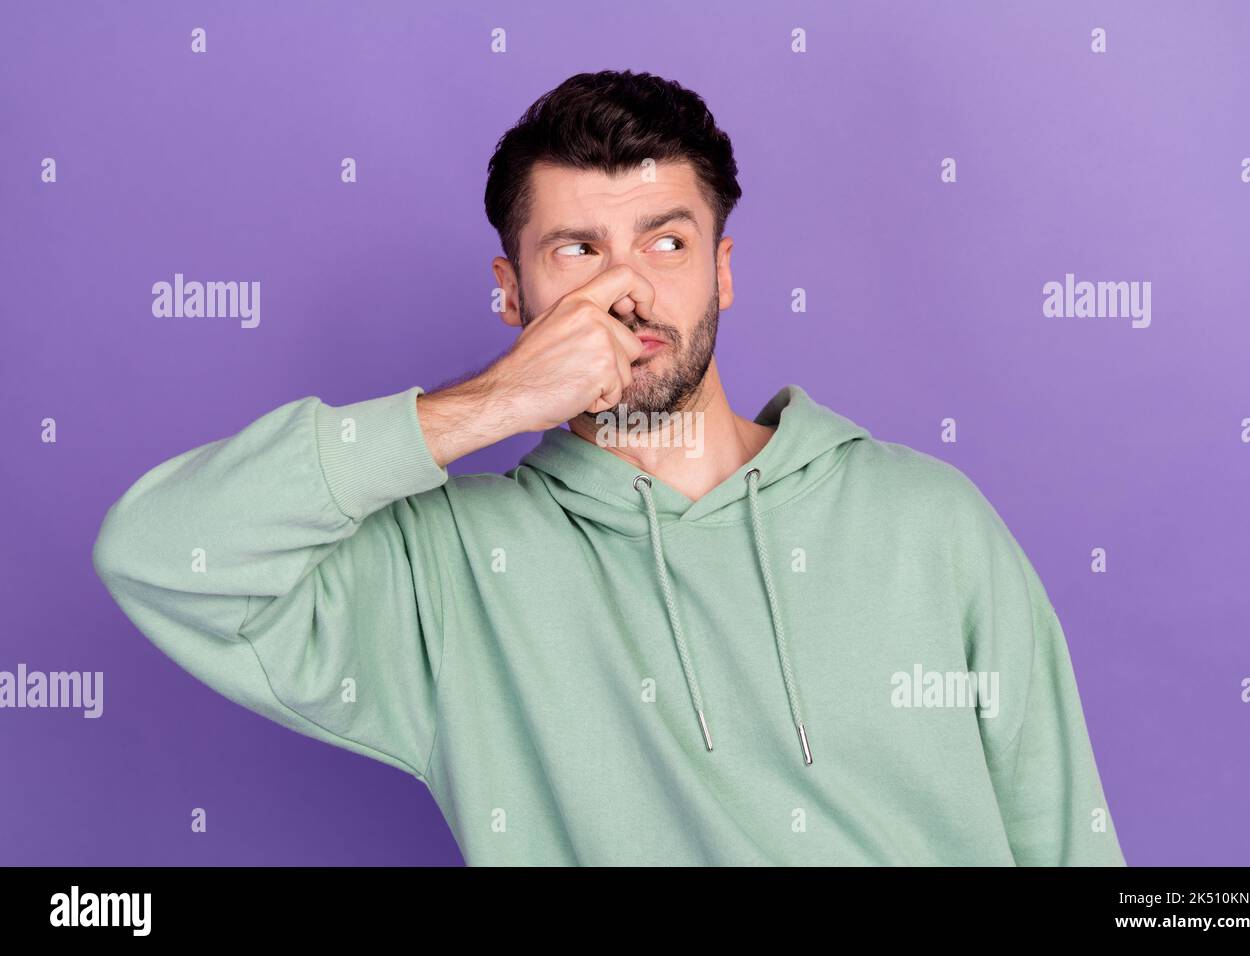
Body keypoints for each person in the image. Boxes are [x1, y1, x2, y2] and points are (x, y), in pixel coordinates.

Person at [93, 70, 1126, 866]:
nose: (627, 290)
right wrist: (493, 401)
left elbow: (1068, 841)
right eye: (577, 251)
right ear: (512, 291)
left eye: (666, 242)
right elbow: (159, 552)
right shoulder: (446, 572)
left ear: (722, 268)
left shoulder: (927, 518)